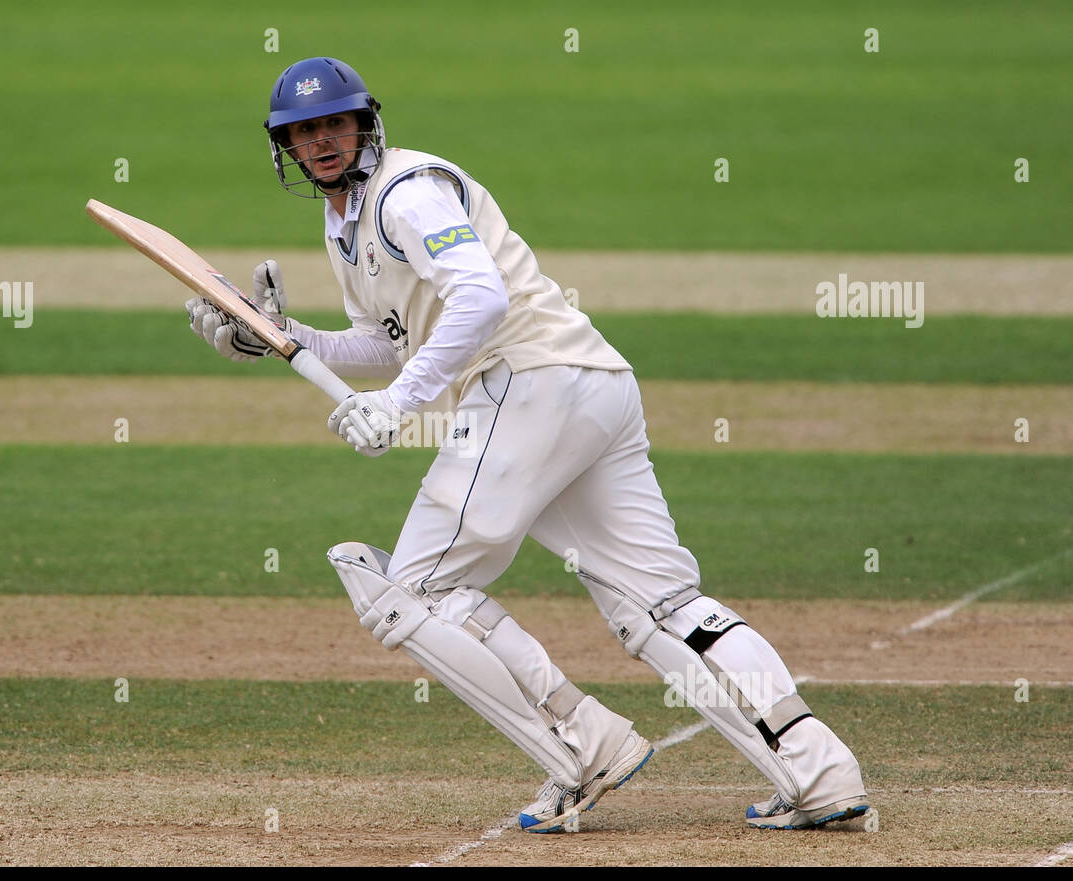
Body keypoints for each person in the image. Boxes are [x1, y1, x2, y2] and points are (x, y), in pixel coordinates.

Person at [187, 56, 870, 832]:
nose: (321, 142)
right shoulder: (345, 219)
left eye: (333, 123)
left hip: (527, 385)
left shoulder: (406, 195)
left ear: (364, 122)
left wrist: (401, 405)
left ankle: (584, 745)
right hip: (590, 385)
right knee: (660, 603)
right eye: (302, 132)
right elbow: (394, 340)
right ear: (286, 148)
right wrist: (286, 337)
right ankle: (819, 772)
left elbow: (481, 297)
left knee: (413, 593)